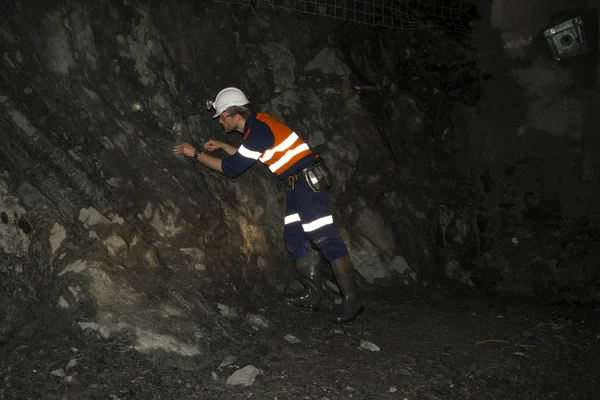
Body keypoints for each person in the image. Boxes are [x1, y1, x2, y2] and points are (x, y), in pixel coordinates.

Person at [172, 87, 363, 323]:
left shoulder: (258, 132)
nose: (220, 122)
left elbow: (231, 168)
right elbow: (258, 155)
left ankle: (353, 300)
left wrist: (196, 154)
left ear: (234, 114)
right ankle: (312, 295)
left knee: (323, 236)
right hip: (296, 184)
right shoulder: (257, 125)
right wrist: (223, 146)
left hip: (307, 182)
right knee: (294, 237)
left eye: (222, 117)